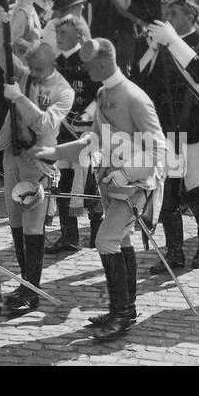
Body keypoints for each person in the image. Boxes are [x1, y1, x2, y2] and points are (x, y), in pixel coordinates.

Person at [48, 38, 165, 339]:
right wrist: (57, 152)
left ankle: (122, 314)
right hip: (110, 182)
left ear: (101, 64)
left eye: (88, 65)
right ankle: (123, 309)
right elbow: (95, 140)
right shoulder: (102, 94)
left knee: (105, 240)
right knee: (120, 241)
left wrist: (126, 173)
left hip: (134, 185)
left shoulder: (134, 97)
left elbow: (159, 149)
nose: (84, 70)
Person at [135, 0, 199, 274]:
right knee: (170, 194)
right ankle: (174, 252)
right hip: (167, 129)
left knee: (194, 189)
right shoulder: (161, 45)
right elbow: (141, 80)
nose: (168, 18)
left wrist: (172, 42)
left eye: (175, 13)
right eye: (167, 12)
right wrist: (152, 49)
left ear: (190, 18)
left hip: (195, 129)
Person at [0, 42, 71, 315]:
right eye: (32, 67)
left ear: (53, 66)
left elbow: (43, 124)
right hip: (12, 154)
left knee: (32, 225)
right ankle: (24, 284)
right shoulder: (25, 75)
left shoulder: (63, 91)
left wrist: (18, 98)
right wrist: (1, 18)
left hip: (38, 161)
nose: (33, 73)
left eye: (39, 69)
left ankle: (32, 290)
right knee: (15, 220)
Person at [48, 14, 102, 251]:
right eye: (58, 33)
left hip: (87, 132)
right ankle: (68, 236)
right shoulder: (55, 63)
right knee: (62, 182)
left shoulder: (91, 61)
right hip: (61, 132)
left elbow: (103, 92)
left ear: (79, 36)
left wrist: (88, 114)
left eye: (64, 34)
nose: (58, 37)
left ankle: (98, 232)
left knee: (90, 183)